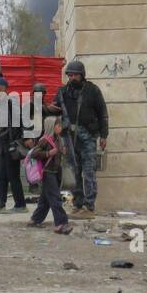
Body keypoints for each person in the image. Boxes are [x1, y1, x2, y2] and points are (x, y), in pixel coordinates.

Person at [47, 60, 108, 217]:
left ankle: (89, 207)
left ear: (81, 75)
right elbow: (54, 110)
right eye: (69, 74)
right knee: (74, 173)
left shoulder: (92, 90)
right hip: (69, 138)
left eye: (74, 74)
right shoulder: (63, 92)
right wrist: (50, 108)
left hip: (88, 137)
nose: (71, 77)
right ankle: (77, 204)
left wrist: (104, 135)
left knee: (89, 172)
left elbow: (102, 113)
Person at [0, 76, 27, 213]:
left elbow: (18, 124)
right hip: (4, 145)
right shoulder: (0, 104)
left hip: (10, 145)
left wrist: (13, 143)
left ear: (1, 88)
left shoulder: (10, 103)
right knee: (2, 176)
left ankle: (20, 205)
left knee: (13, 175)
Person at [25, 126, 72, 233]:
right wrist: (48, 153)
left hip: (55, 172)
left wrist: (63, 151)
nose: (60, 128)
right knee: (55, 198)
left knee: (45, 200)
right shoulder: (45, 140)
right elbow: (34, 153)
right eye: (58, 125)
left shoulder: (59, 139)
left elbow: (59, 154)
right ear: (51, 126)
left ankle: (35, 219)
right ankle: (61, 224)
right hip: (47, 172)